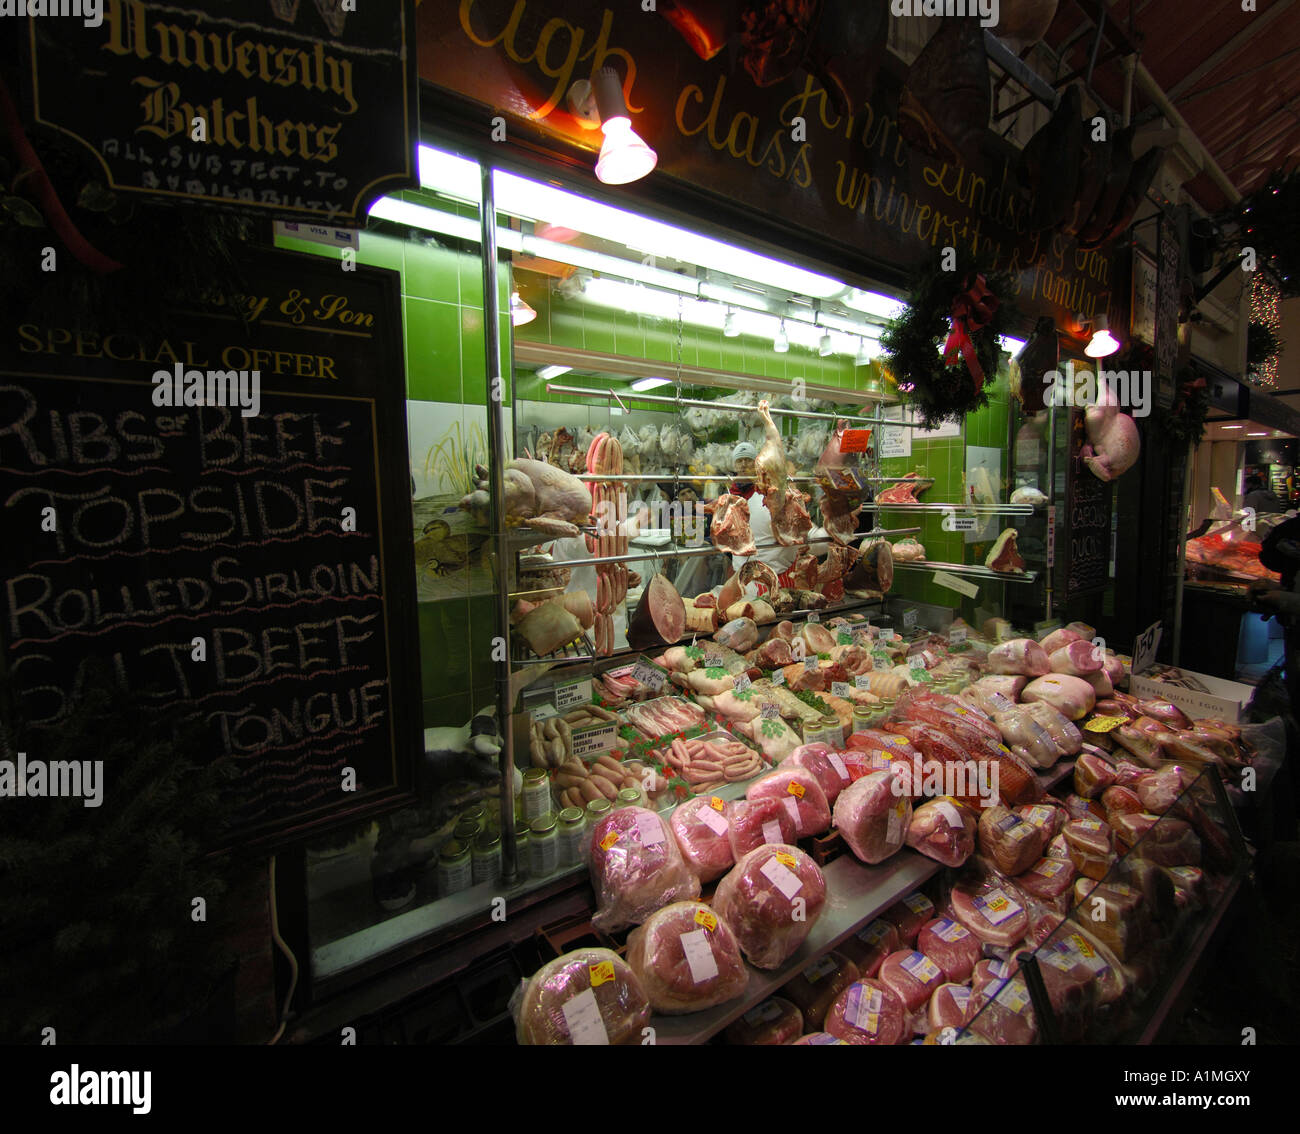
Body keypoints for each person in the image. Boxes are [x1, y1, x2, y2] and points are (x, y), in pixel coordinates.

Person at [727, 440, 798, 583]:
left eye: (748, 460)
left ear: (756, 464)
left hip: (774, 572)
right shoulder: (729, 495)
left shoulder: (768, 493)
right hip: (742, 572)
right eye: (740, 461)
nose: (743, 465)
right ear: (734, 465)